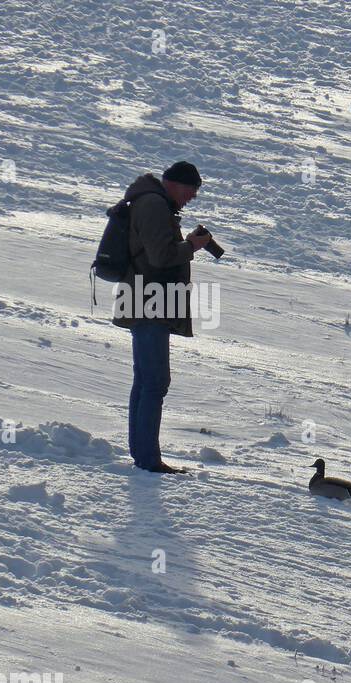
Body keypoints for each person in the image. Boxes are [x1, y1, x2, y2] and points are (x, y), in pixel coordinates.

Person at [112, 160, 211, 473]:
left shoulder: (151, 202)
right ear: (174, 183)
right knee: (155, 381)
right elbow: (161, 257)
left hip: (145, 300)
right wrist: (192, 246)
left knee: (145, 380)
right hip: (149, 302)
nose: (191, 197)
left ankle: (142, 455)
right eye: (190, 191)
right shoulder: (154, 204)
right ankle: (149, 461)